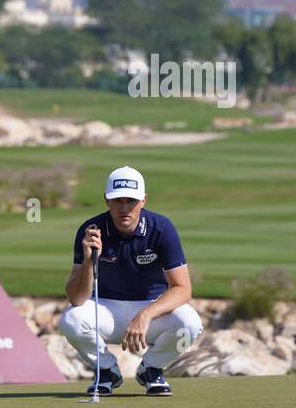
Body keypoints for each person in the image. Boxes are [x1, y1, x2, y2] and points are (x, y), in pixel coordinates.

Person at [58, 166, 202, 396]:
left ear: (143, 200)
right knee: (71, 320)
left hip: (152, 309)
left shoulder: (161, 229)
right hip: (105, 309)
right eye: (118, 201)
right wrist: (88, 261)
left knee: (190, 325)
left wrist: (145, 315)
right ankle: (106, 371)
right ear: (107, 200)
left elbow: (183, 289)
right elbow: (76, 298)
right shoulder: (91, 230)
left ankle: (151, 369)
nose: (124, 208)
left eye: (131, 201)